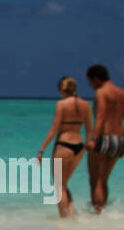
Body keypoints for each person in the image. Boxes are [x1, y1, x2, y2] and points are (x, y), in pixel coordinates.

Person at [36, 76, 93, 218]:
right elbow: (89, 129)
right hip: (79, 147)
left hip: (63, 145)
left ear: (62, 89)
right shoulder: (86, 104)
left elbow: (54, 129)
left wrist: (41, 150)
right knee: (64, 184)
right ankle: (72, 215)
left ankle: (64, 220)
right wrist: (88, 144)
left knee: (59, 186)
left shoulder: (61, 104)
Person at [84, 64, 124, 213]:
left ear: (96, 79)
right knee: (104, 180)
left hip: (103, 138)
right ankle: (103, 212)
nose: (90, 86)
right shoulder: (122, 94)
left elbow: (100, 116)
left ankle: (97, 215)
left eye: (90, 82)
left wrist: (93, 139)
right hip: (118, 140)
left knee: (95, 180)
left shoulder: (101, 92)